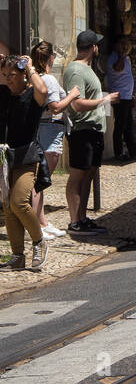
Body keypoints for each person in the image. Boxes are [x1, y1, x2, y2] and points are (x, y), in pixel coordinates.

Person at [62, 30, 118, 236]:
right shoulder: (76, 70)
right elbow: (76, 104)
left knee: (88, 175)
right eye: (97, 45)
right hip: (82, 130)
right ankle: (75, 221)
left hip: (94, 130)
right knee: (78, 175)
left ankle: (82, 218)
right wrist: (105, 100)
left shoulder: (87, 68)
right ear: (93, 48)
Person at [0, 52, 49, 270]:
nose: (9, 78)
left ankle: (39, 241)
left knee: (19, 201)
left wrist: (30, 68)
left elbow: (43, 90)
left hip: (27, 157)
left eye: (12, 74)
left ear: (23, 75)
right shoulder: (3, 94)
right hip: (5, 158)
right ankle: (17, 255)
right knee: (8, 207)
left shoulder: (32, 96)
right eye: (5, 74)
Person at [29, 41, 79, 240]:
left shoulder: (39, 78)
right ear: (51, 58)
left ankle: (42, 223)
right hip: (50, 129)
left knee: (40, 180)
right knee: (40, 180)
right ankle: (36, 226)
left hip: (46, 129)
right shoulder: (48, 79)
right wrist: (73, 95)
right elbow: (55, 107)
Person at [106, 37, 136, 162]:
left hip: (127, 96)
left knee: (129, 125)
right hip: (119, 97)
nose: (124, 48)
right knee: (120, 126)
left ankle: (133, 152)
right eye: (122, 45)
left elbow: (127, 78)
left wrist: (132, 96)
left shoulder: (126, 58)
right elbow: (117, 69)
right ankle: (118, 153)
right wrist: (120, 55)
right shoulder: (113, 58)